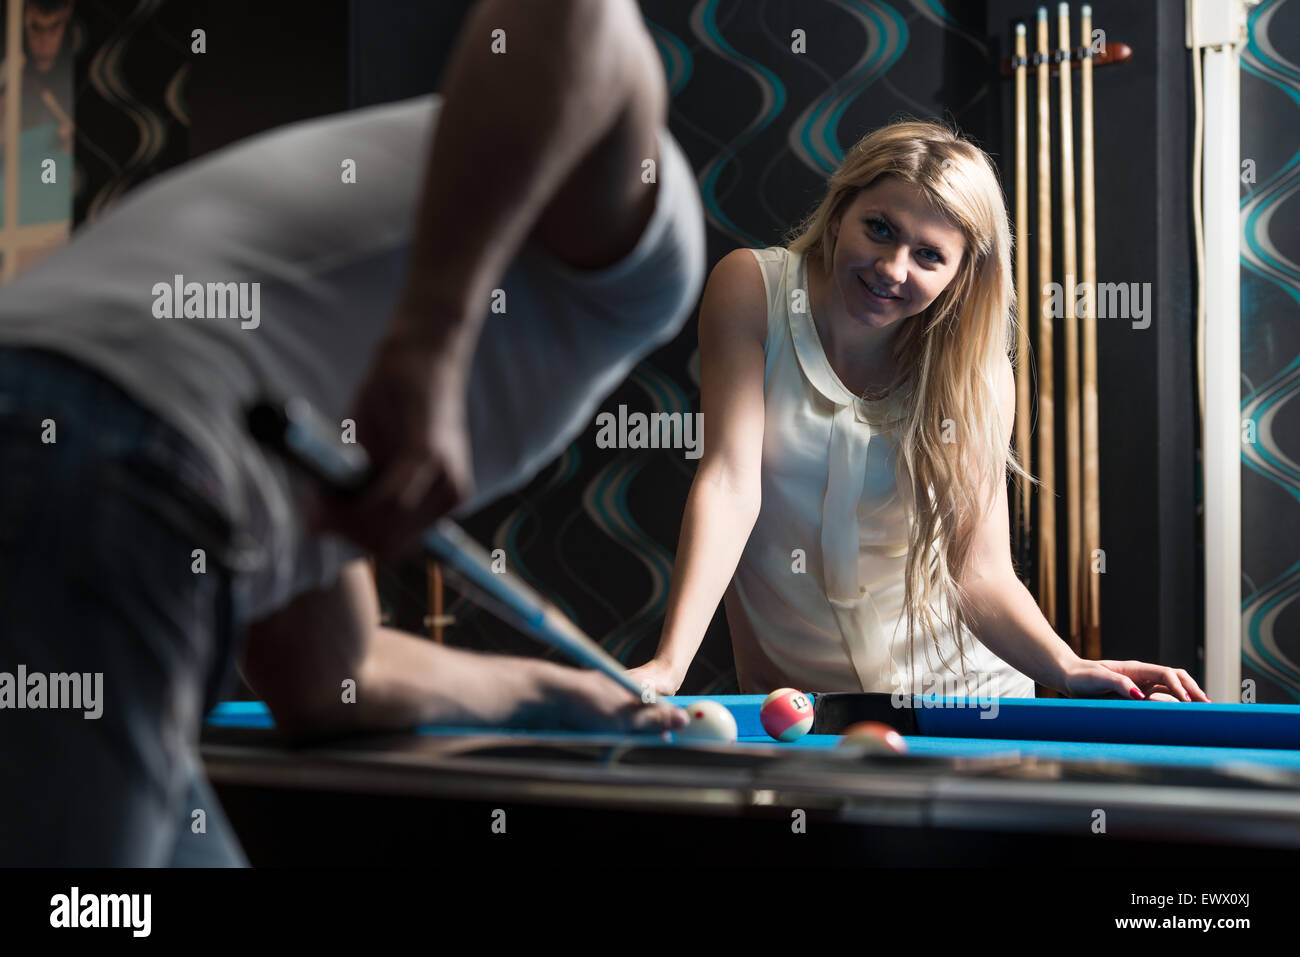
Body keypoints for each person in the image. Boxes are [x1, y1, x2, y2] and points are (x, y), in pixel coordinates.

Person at [0, 0, 699, 867]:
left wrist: (555, 690)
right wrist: (431, 342)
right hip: (96, 459)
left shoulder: (287, 366)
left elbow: (330, 680)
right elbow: (577, 15)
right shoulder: (654, 268)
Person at [627, 120, 1209, 705]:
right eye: (879, 229)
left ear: (961, 276)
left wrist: (1067, 666)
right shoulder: (752, 289)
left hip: (964, 700)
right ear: (837, 214)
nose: (892, 268)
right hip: (808, 712)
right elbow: (730, 485)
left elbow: (978, 572)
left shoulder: (976, 373)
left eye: (929, 255)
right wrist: (669, 666)